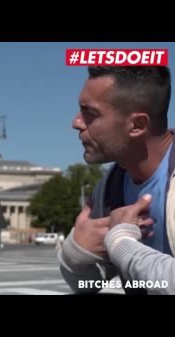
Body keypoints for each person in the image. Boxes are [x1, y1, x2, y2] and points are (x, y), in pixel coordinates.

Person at [58, 66, 175, 295]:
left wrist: (121, 244)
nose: (76, 122)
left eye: (90, 113)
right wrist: (77, 255)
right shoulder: (110, 186)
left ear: (137, 125)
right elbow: (94, 287)